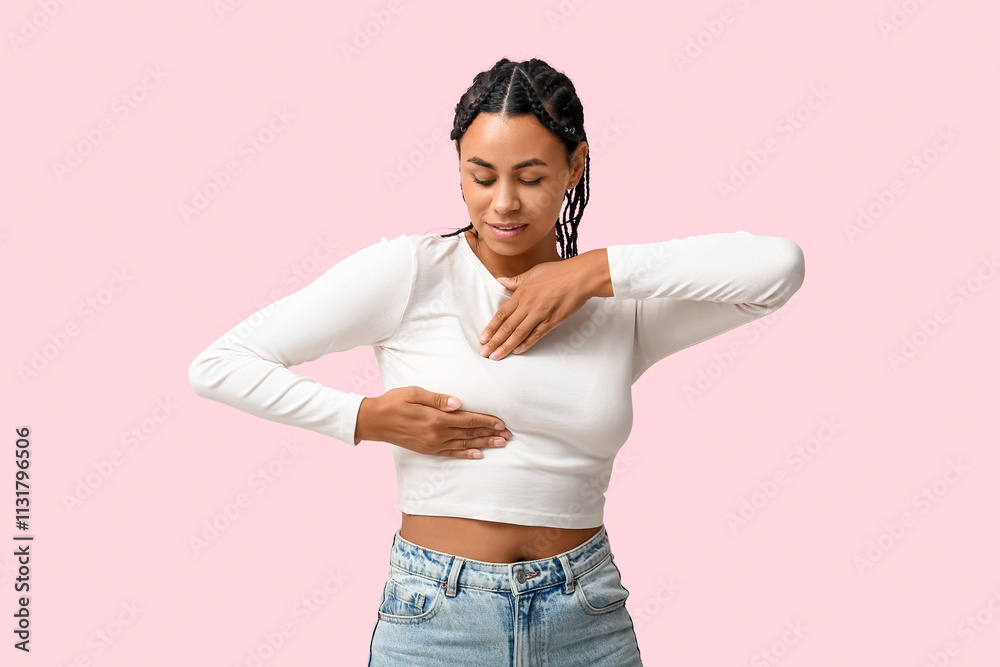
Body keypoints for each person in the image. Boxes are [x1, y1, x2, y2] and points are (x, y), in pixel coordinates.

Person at [188, 57, 806, 666]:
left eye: (531, 177)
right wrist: (365, 418)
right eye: (482, 177)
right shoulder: (412, 273)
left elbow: (777, 270)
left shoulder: (621, 305)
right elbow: (221, 364)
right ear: (458, 169)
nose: (504, 203)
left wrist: (593, 271)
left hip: (586, 614)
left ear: (576, 166)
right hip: (437, 617)